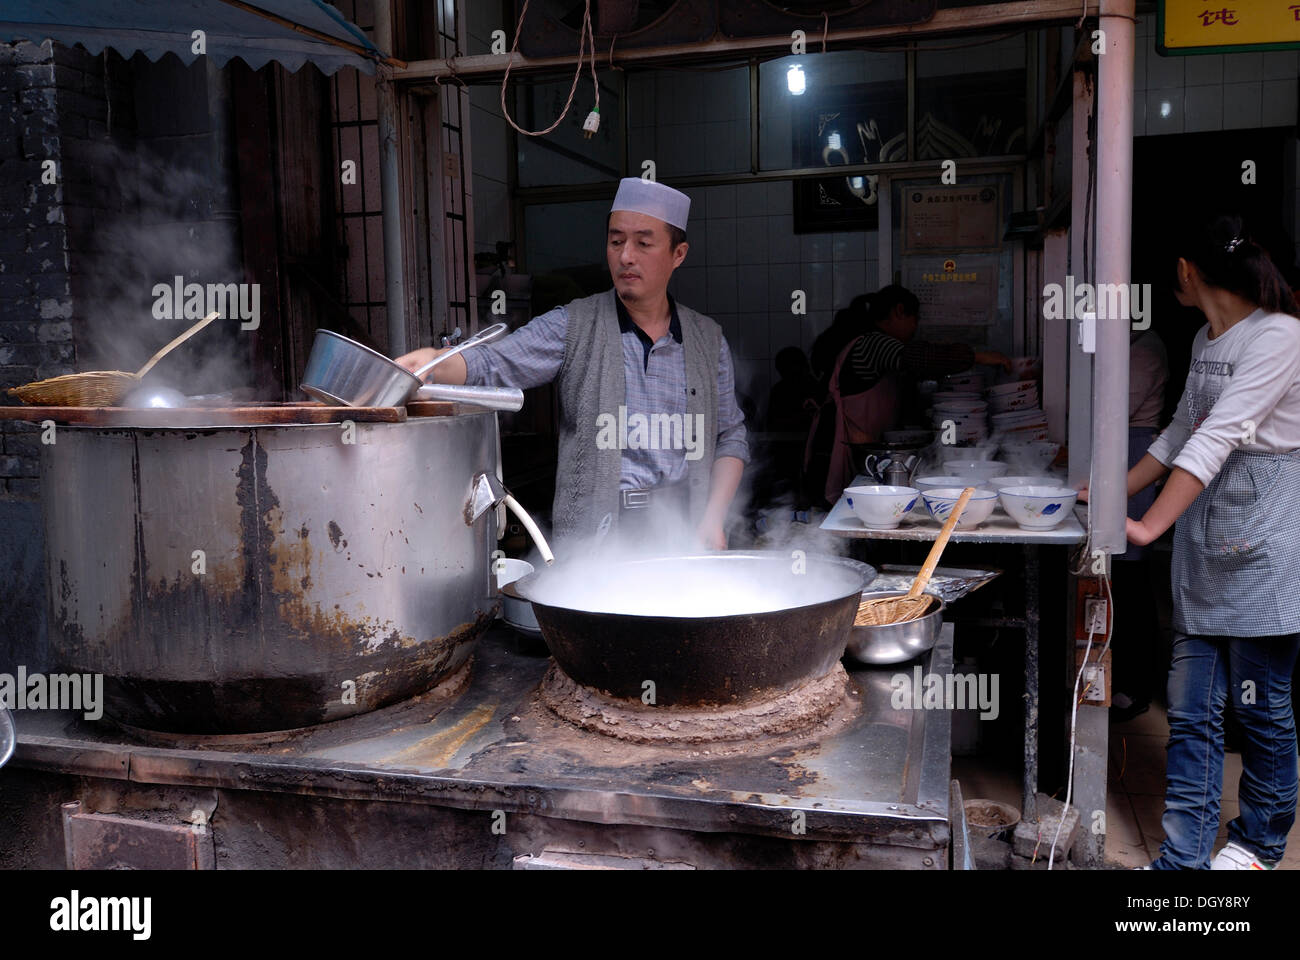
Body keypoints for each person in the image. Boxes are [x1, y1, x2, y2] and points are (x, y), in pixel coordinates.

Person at [395, 178, 748, 550]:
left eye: (643, 243)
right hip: (598, 542)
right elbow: (492, 363)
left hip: (683, 531)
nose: (626, 256)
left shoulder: (707, 340)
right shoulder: (574, 326)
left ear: (679, 254)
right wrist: (433, 363)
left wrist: (713, 519)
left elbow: (730, 436)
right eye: (616, 242)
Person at [1118, 214, 1300, 870]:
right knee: (1193, 714)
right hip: (1205, 560)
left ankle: (1258, 842)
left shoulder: (1279, 337)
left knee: (1261, 711)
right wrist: (1111, 492)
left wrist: (1149, 525)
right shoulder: (1204, 338)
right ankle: (1183, 859)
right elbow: (1177, 433)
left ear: (1189, 271)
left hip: (1263, 558)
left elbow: (1219, 435)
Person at [803, 284, 1010, 506]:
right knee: (833, 521)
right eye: (916, 319)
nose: (915, 328)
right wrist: (979, 356)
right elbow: (922, 359)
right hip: (839, 450)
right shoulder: (873, 344)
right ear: (899, 311)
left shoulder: (871, 342)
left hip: (858, 450)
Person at [1110, 328, 1170, 722]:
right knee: (1123, 579)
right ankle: (1125, 681)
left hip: (1134, 454)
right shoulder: (1130, 346)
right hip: (1127, 455)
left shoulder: (1147, 349)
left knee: (1130, 582)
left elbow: (1116, 410)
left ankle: (1136, 685)